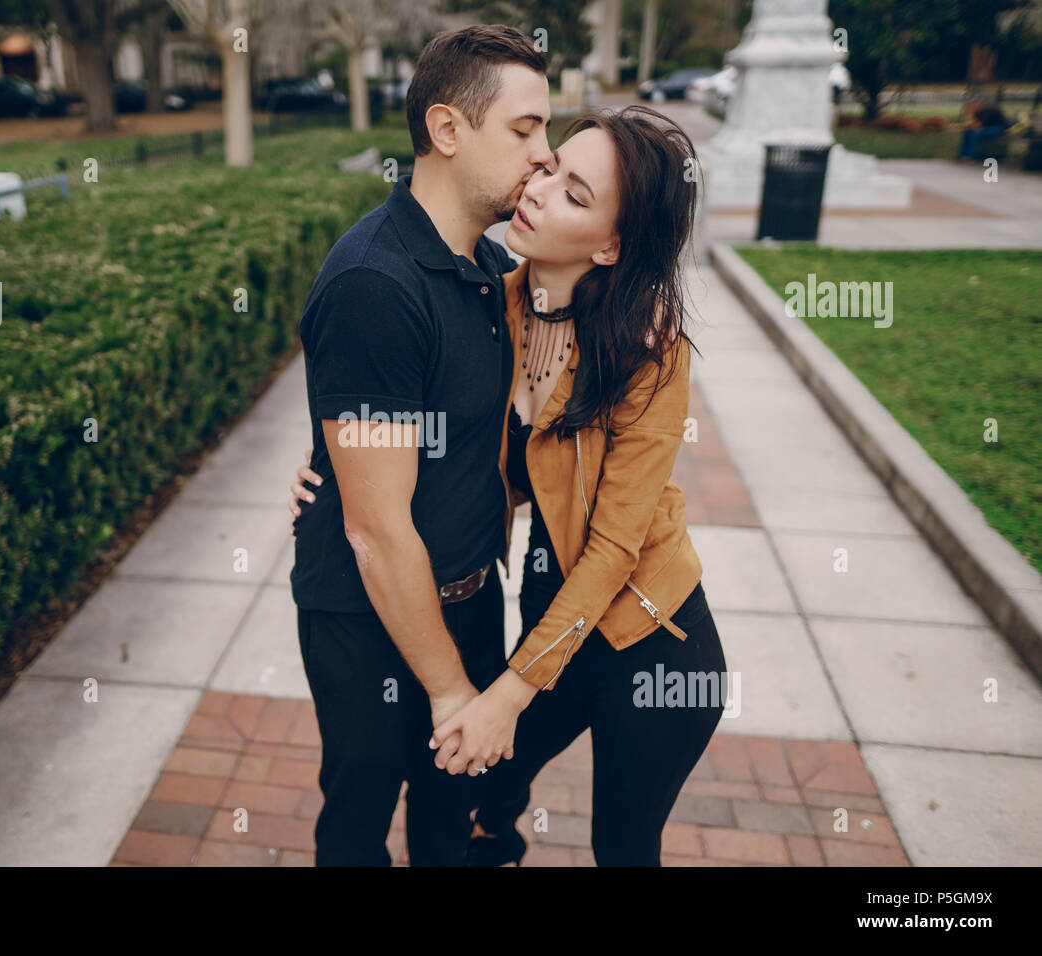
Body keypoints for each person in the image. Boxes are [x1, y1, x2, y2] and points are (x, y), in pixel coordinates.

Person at [291, 105, 729, 866]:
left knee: (622, 847)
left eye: (573, 194)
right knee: (481, 790)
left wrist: (507, 692)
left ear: (611, 247)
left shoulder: (648, 354)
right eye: (553, 166)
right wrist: (329, 467)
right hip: (546, 616)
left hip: (645, 640)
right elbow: (399, 394)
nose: (537, 185)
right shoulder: (493, 299)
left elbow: (616, 546)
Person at [289, 24, 556, 866]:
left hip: (473, 602)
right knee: (360, 820)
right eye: (525, 130)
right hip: (368, 618)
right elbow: (375, 530)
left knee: (449, 823)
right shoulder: (376, 282)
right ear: (447, 131)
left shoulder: (480, 263)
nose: (544, 155)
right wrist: (450, 691)